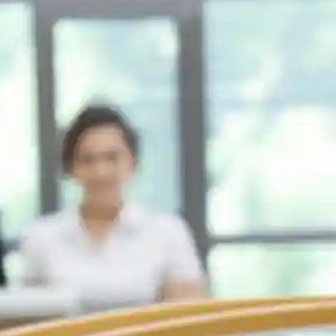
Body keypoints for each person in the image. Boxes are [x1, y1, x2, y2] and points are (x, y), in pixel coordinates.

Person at [20, 105, 205, 310]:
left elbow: (185, 324)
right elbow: (29, 325)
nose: (101, 172)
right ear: (71, 168)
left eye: (112, 158)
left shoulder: (168, 232)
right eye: (88, 160)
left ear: (132, 163)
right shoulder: (42, 238)